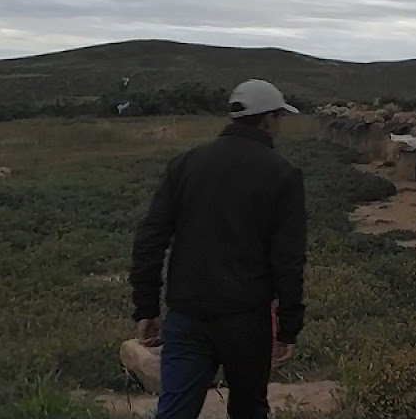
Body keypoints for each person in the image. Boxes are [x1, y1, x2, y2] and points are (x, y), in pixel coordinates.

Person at [129, 79, 308, 419]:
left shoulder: (185, 163)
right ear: (268, 118)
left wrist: (146, 307)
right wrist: (288, 328)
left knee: (175, 411)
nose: (280, 124)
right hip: (247, 320)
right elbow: (288, 259)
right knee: (248, 409)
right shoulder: (283, 173)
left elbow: (150, 238)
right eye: (280, 117)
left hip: (187, 315)